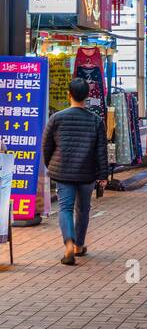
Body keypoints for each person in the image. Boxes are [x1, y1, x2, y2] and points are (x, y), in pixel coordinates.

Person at [42, 75, 109, 266]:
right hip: (87, 173)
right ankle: (79, 246)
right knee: (83, 210)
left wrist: (50, 165)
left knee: (65, 208)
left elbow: (46, 146)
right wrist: (103, 175)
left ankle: (69, 243)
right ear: (87, 96)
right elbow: (101, 151)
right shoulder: (96, 121)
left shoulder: (56, 118)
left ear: (69, 94)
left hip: (63, 172)